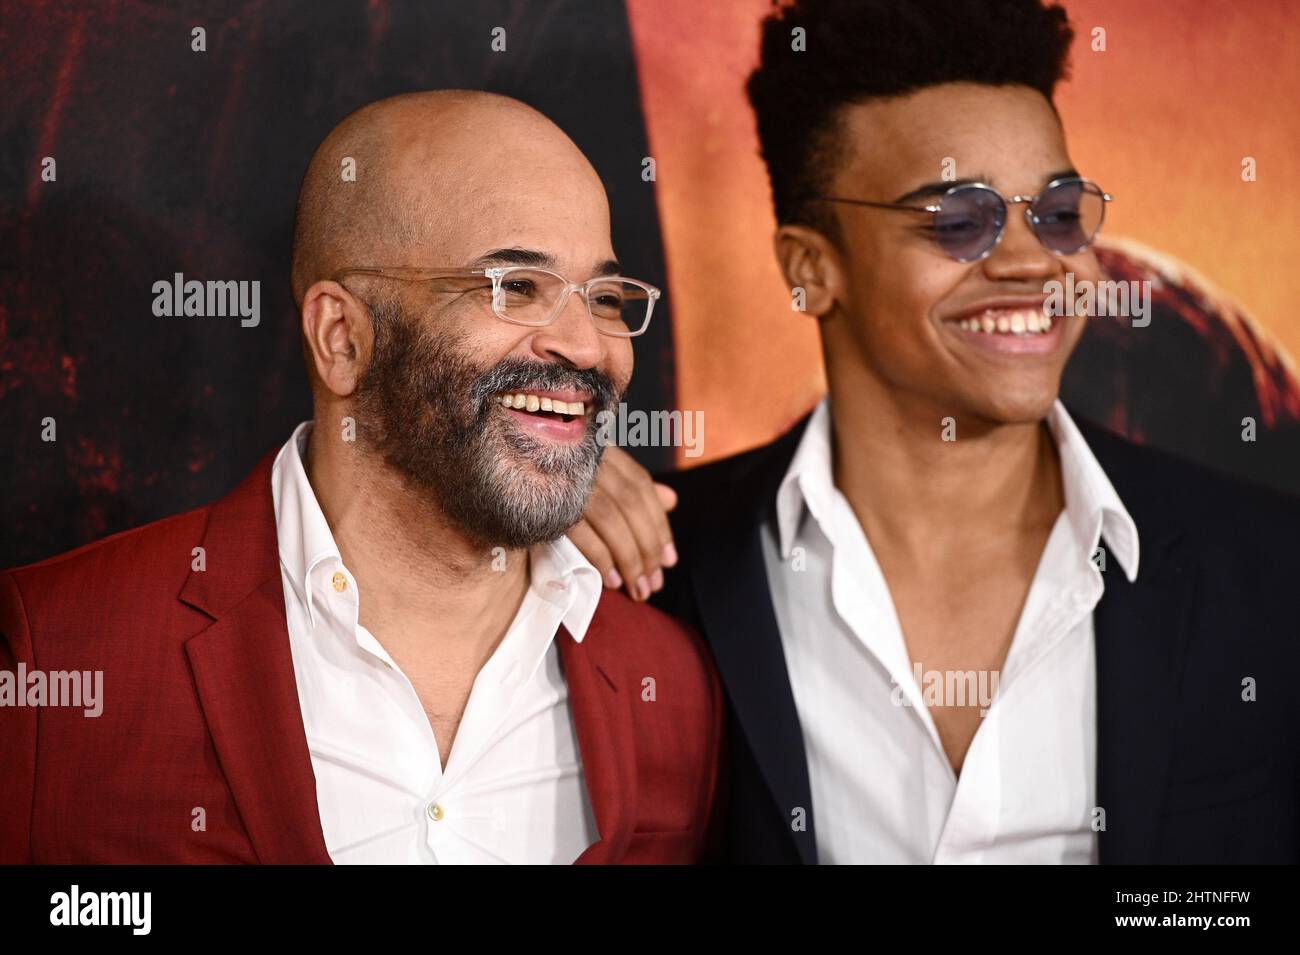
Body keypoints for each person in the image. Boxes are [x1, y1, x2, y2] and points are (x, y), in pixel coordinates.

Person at [568, 0, 1300, 863]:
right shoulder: (651, 567)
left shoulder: (1268, 569)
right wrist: (533, 512)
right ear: (812, 267)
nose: (1032, 262)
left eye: (1060, 212)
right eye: (960, 220)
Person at [0, 90, 722, 865]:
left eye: (606, 297)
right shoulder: (58, 662)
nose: (587, 346)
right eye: (515, 287)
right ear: (342, 338)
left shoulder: (673, 689)